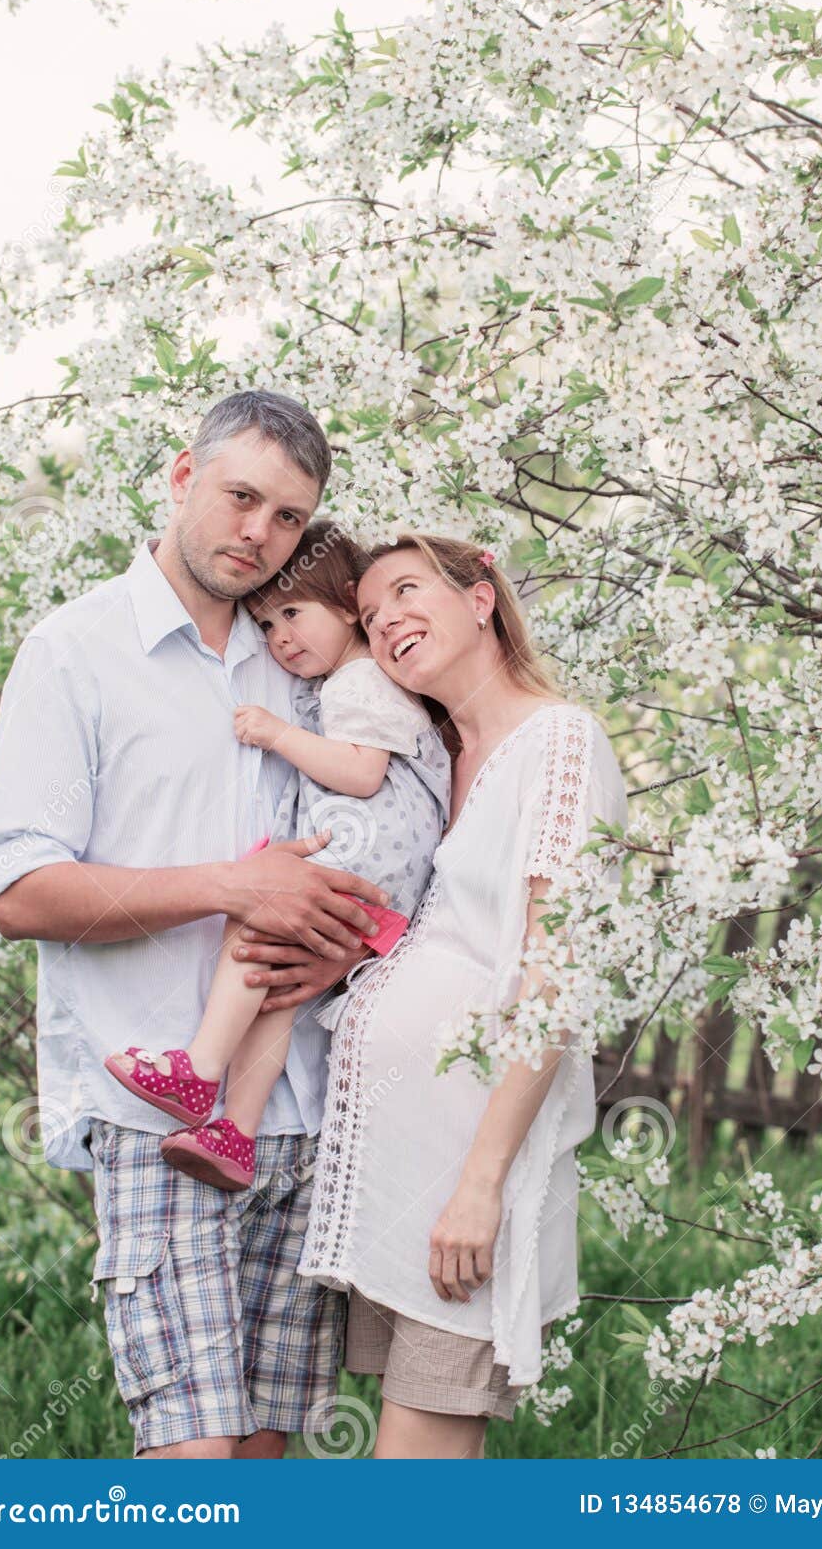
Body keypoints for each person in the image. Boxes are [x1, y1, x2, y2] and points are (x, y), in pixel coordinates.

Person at [0, 390, 376, 1459]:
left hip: (300, 1111)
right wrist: (229, 888)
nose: (259, 532)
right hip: (155, 1112)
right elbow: (21, 892)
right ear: (181, 476)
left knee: (265, 1464)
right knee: (191, 1468)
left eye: (289, 517)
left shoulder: (300, 663)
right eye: (242, 497)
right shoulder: (75, 652)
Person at [272, 532, 629, 1460]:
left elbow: (562, 978)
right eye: (372, 605)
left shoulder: (558, 744)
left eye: (406, 589)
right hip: (396, 1178)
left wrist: (480, 1187)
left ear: (480, 599)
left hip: (459, 1190)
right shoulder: (434, 758)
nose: (385, 615)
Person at [103, 519, 450, 1191]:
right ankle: (237, 1131)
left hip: (364, 857)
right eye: (265, 626)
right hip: (379, 878)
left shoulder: (357, 682)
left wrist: (275, 734)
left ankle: (198, 1074)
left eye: (293, 614)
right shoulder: (348, 680)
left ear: (349, 606)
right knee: (274, 988)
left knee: (255, 914)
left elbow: (360, 773)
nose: (280, 638)